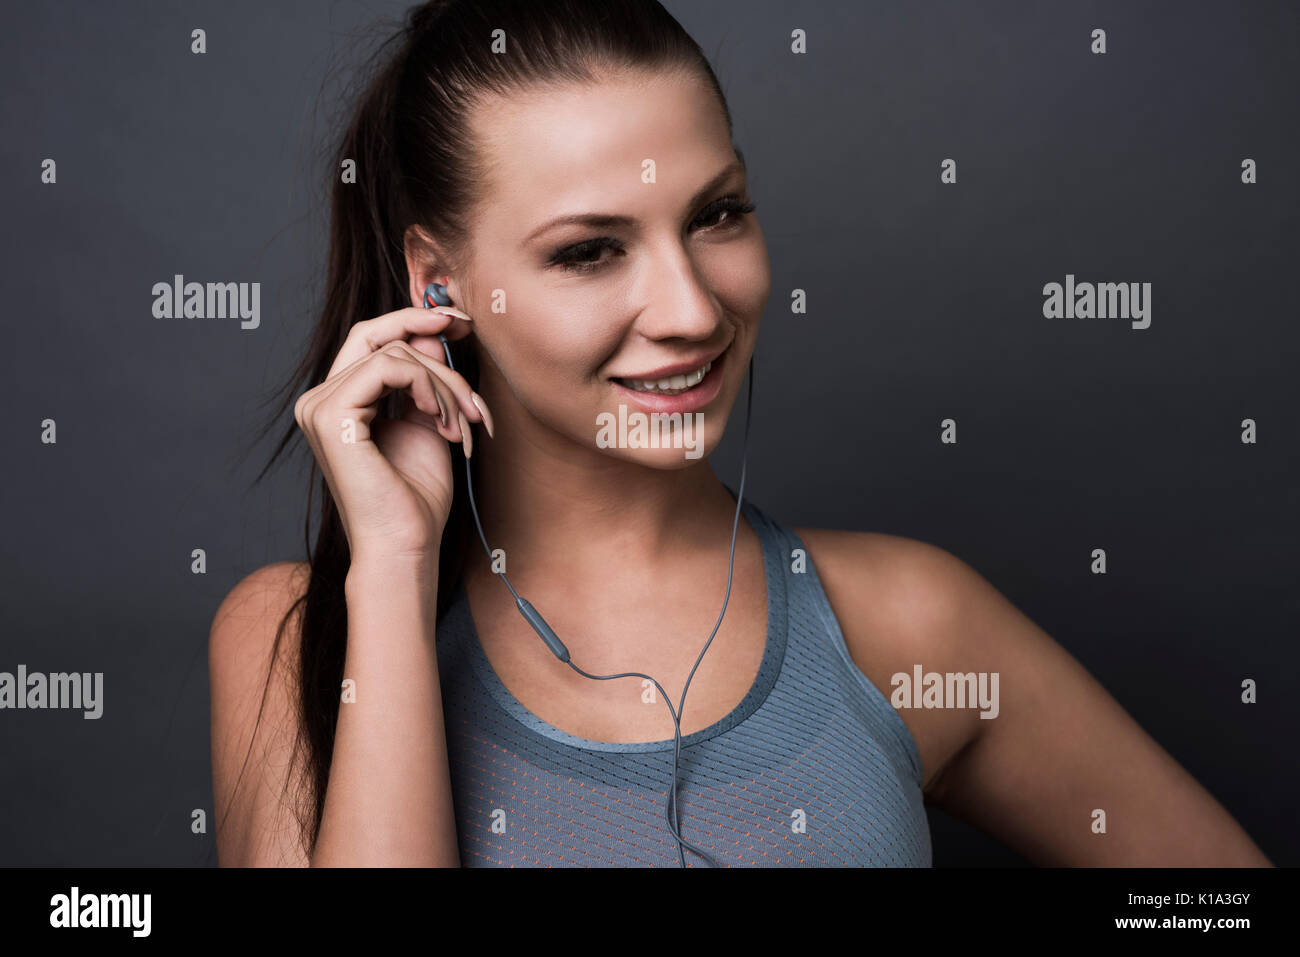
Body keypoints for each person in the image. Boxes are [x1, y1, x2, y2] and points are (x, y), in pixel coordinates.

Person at [208, 0, 1271, 867]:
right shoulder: (300, 643)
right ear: (441, 282)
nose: (691, 309)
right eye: (589, 251)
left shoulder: (906, 622)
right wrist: (394, 563)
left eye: (717, 215)